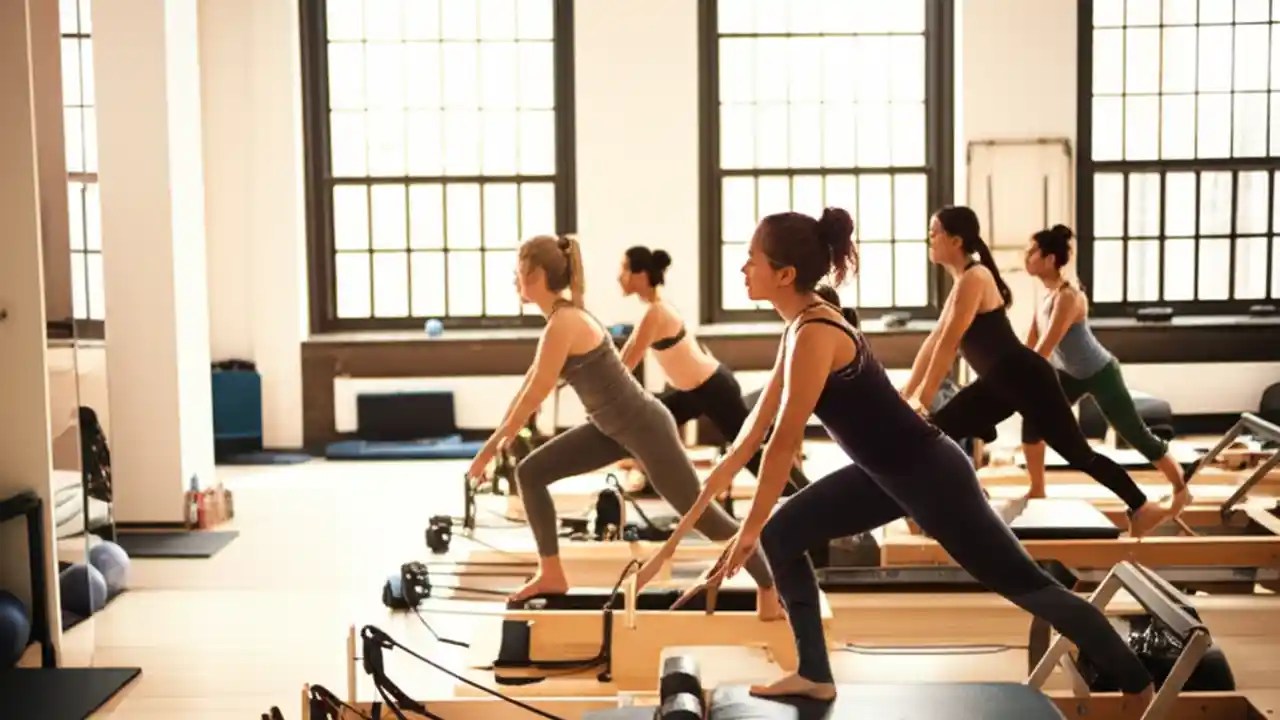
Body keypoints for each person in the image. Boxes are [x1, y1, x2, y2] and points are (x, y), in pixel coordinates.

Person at [634, 208, 1155, 712]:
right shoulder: (799, 327)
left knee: (1025, 585)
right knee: (782, 535)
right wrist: (681, 537)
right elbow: (752, 435)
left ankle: (1136, 680)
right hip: (884, 475)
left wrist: (745, 531)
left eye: (751, 258)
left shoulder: (816, 333)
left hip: (931, 475)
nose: (742, 268)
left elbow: (783, 441)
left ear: (785, 273)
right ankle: (814, 674)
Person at [466, 234, 781, 616]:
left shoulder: (565, 322)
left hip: (644, 426)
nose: (514, 281)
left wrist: (488, 450)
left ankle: (770, 583)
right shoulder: (559, 321)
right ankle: (551, 571)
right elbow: (528, 387)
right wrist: (493, 444)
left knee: (705, 518)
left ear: (534, 275)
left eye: (518, 273)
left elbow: (535, 394)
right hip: (608, 428)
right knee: (530, 473)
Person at [901, 206, 1171, 536]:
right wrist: (908, 392)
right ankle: (961, 505)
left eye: (934, 233)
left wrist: (924, 399)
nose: (929, 240)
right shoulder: (963, 281)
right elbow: (934, 341)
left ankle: (1142, 507)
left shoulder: (976, 277)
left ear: (955, 240)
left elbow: (949, 344)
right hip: (1003, 380)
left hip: (1023, 377)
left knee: (1076, 452)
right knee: (935, 433)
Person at [1021, 224, 1191, 510]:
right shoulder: (1046, 297)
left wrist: (1022, 377)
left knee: (1133, 432)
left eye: (1032, 251)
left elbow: (1047, 345)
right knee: (1034, 418)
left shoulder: (1068, 296)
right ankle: (1037, 489)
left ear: (1050, 259)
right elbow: (1030, 344)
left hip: (1101, 373)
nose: (1026, 257)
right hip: (1071, 373)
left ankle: (1180, 487)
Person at [616, 246, 809, 493]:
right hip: (693, 391)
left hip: (713, 389)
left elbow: (624, 364)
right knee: (651, 424)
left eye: (624, 269)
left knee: (753, 456)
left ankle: (805, 498)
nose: (619, 277)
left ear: (641, 275)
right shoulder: (656, 309)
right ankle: (660, 483)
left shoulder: (656, 313)